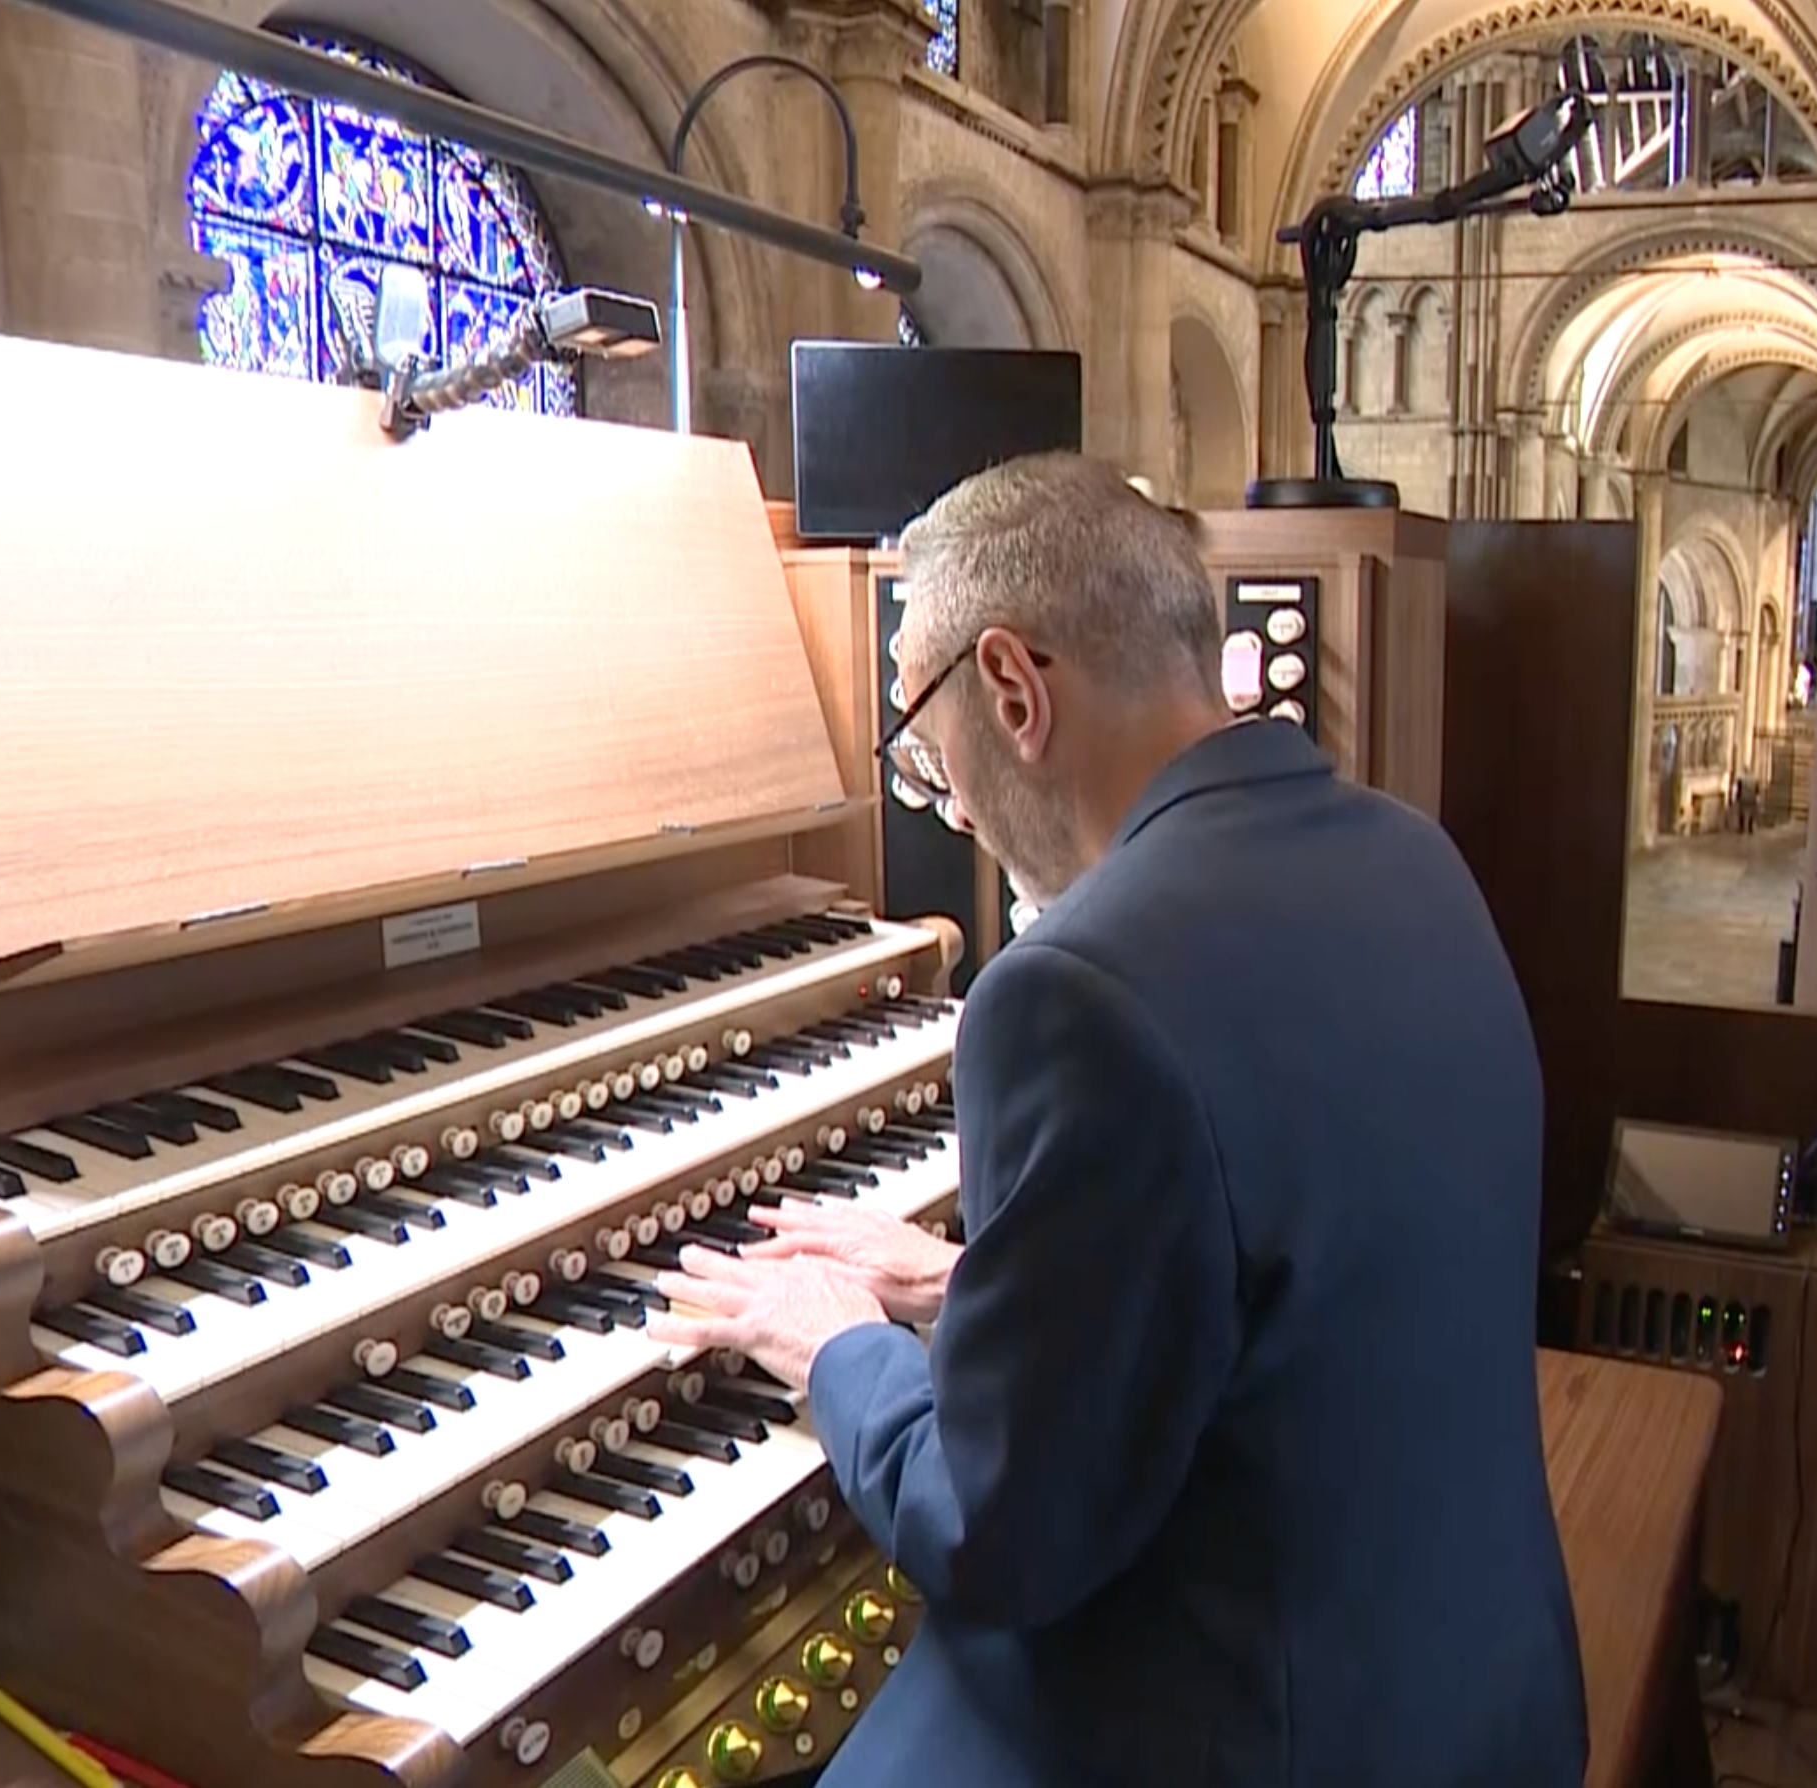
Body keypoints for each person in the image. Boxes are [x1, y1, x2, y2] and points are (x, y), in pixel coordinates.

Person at [650, 451, 1587, 1788]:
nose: (952, 803)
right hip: (1479, 1690)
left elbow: (994, 1529)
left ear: (1014, 691)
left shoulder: (1074, 993)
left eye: (927, 755)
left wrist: (837, 1345)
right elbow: (1301, 1269)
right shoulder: (1407, 853)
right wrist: (980, 1287)